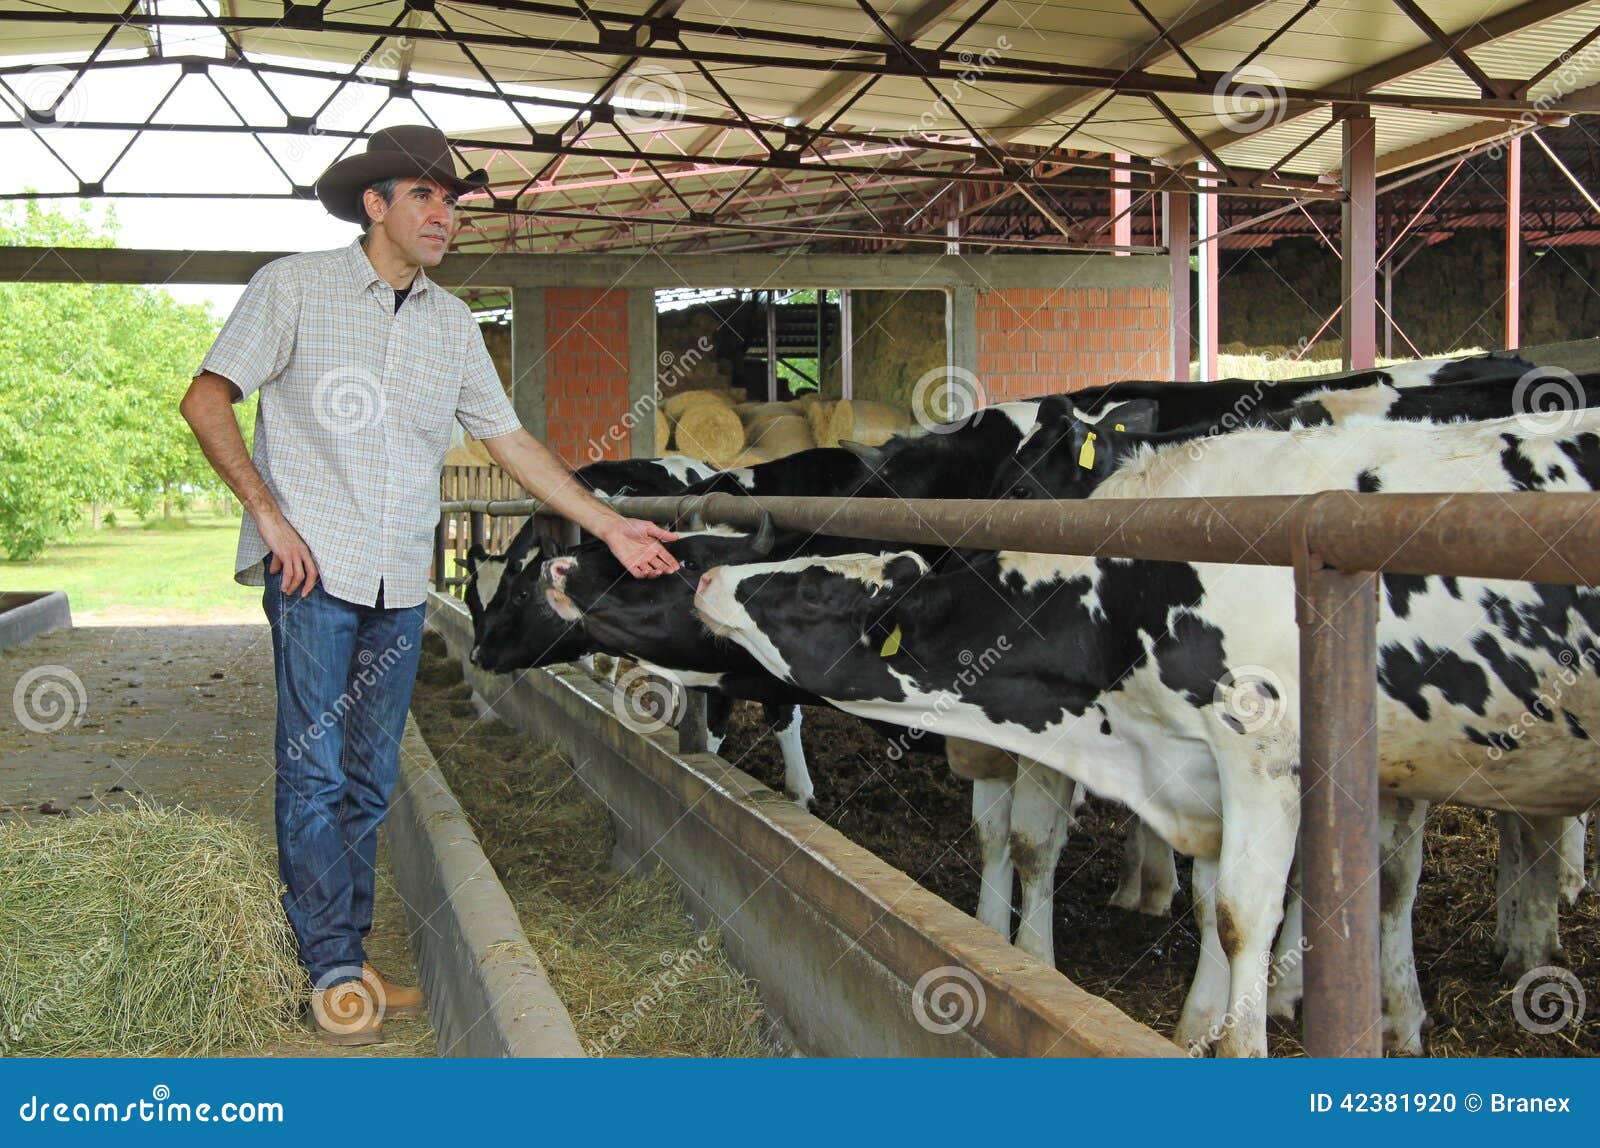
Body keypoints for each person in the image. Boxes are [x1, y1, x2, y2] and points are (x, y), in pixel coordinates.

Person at [179, 124, 679, 1045]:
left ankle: (344, 949)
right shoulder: (293, 288)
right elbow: (207, 398)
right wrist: (269, 515)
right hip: (313, 572)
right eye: (424, 196)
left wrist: (608, 521)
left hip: (401, 581)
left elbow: (510, 441)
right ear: (375, 205)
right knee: (314, 769)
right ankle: (329, 966)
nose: (445, 214)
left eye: (452, 200)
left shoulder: (453, 325)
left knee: (369, 780)